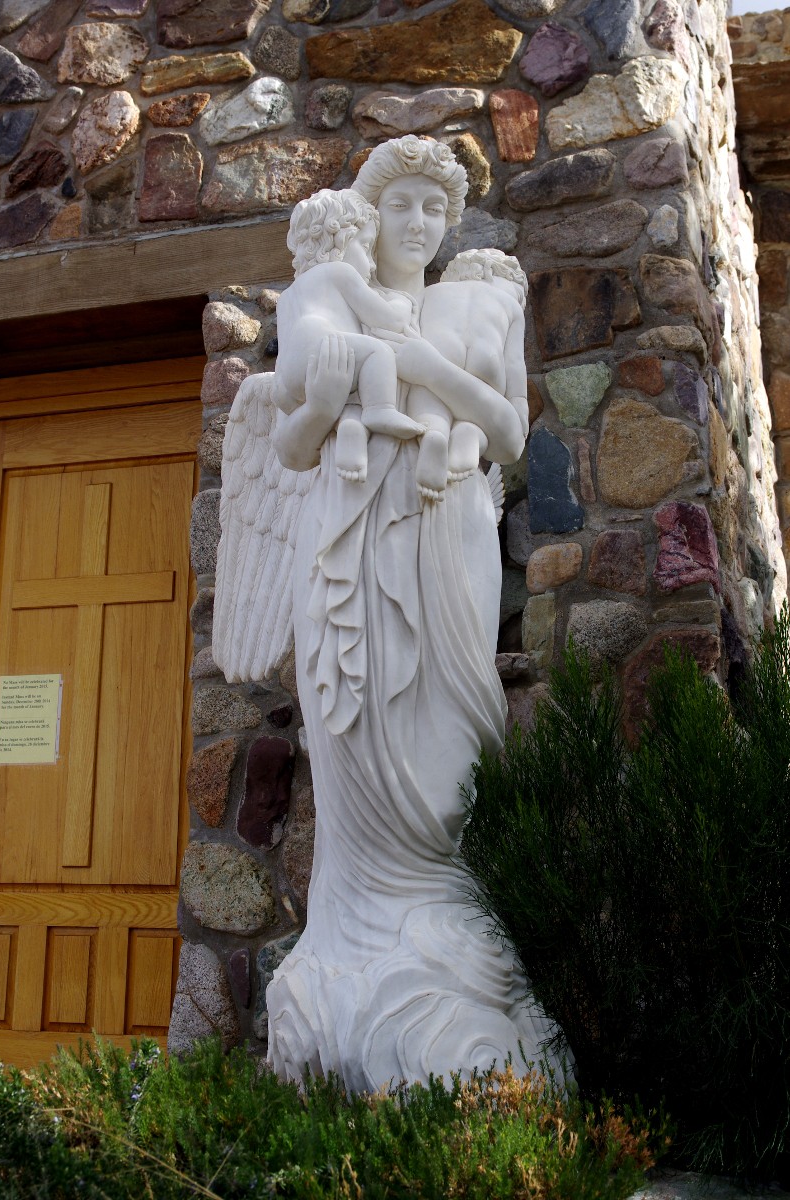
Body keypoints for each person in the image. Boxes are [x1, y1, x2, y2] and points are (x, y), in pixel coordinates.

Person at [266, 136, 566, 1093]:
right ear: (371, 213)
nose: (419, 226)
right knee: (352, 725)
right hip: (346, 543)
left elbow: (511, 434)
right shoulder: (329, 294)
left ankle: (450, 950)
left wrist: (419, 361)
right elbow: (288, 438)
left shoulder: (471, 302)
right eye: (401, 206)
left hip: (447, 531)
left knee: (450, 742)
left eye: (435, 212)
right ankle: (346, 956)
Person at [274, 188, 423, 484]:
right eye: (366, 247)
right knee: (376, 354)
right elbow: (388, 320)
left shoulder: (287, 297)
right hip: (327, 347)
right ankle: (381, 411)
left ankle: (349, 430)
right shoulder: (340, 271)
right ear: (339, 240)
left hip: (286, 381)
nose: (370, 265)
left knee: (349, 404)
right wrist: (402, 303)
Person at [408, 247, 530, 501]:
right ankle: (473, 435)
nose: (518, 300)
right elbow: (515, 365)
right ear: (488, 274)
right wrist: (520, 407)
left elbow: (409, 328)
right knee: (476, 421)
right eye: (519, 294)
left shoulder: (429, 293)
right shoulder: (510, 307)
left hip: (440, 348)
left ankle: (434, 434)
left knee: (428, 396)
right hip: (487, 363)